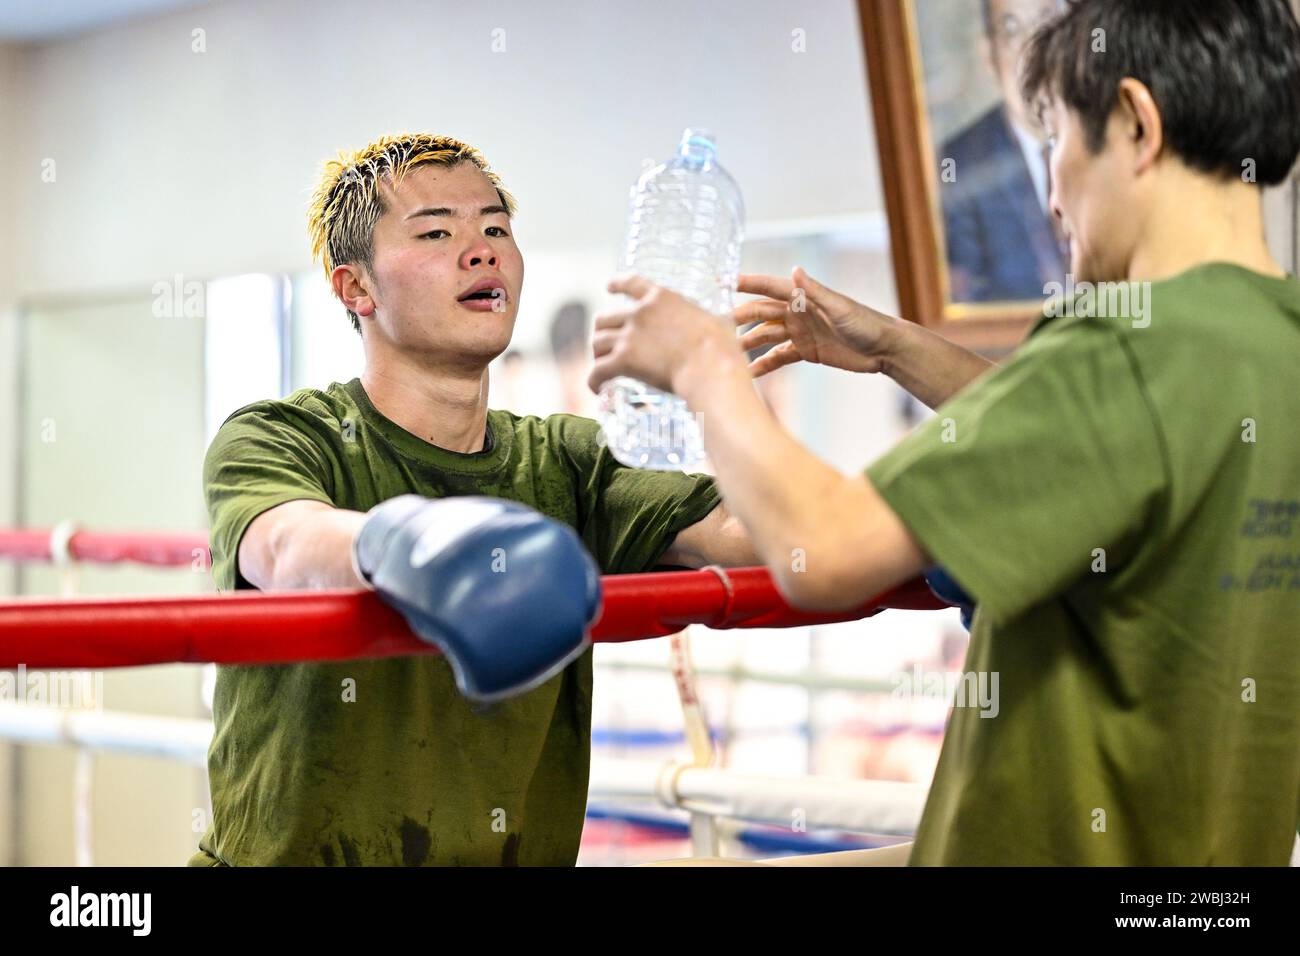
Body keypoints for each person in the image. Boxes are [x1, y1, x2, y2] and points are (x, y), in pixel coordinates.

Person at [588, 0, 1300, 865]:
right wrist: (895, 349)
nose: (1053, 192)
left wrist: (705, 369)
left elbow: (826, 550)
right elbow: (1110, 443)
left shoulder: (1121, 345)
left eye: (1060, 143)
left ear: (1136, 124)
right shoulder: (1266, 342)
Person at [191, 133, 756, 867]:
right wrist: (416, 547)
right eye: (435, 232)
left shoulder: (568, 461)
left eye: (496, 228)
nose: (482, 250)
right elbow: (288, 545)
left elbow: (755, 536)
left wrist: (725, 383)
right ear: (355, 287)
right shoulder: (283, 435)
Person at [940, 0, 1066, 302]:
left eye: (1046, 24)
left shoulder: (1114, 134)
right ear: (989, 54)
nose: (1031, 50)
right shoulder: (958, 164)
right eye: (1011, 31)